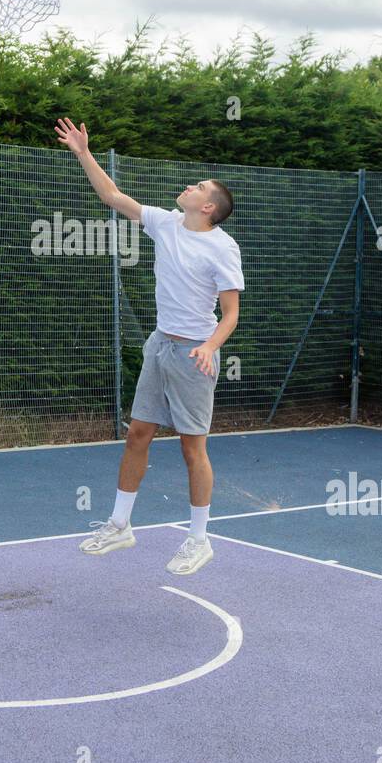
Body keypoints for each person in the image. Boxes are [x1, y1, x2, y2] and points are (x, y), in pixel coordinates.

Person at [55, 117, 244, 575]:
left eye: (199, 186)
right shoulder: (164, 223)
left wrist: (210, 347)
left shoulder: (223, 248)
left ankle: (199, 539)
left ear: (209, 208)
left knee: (191, 448)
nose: (191, 186)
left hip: (194, 353)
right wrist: (83, 152)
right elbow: (112, 197)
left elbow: (232, 313)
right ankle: (120, 525)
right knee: (138, 433)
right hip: (159, 347)